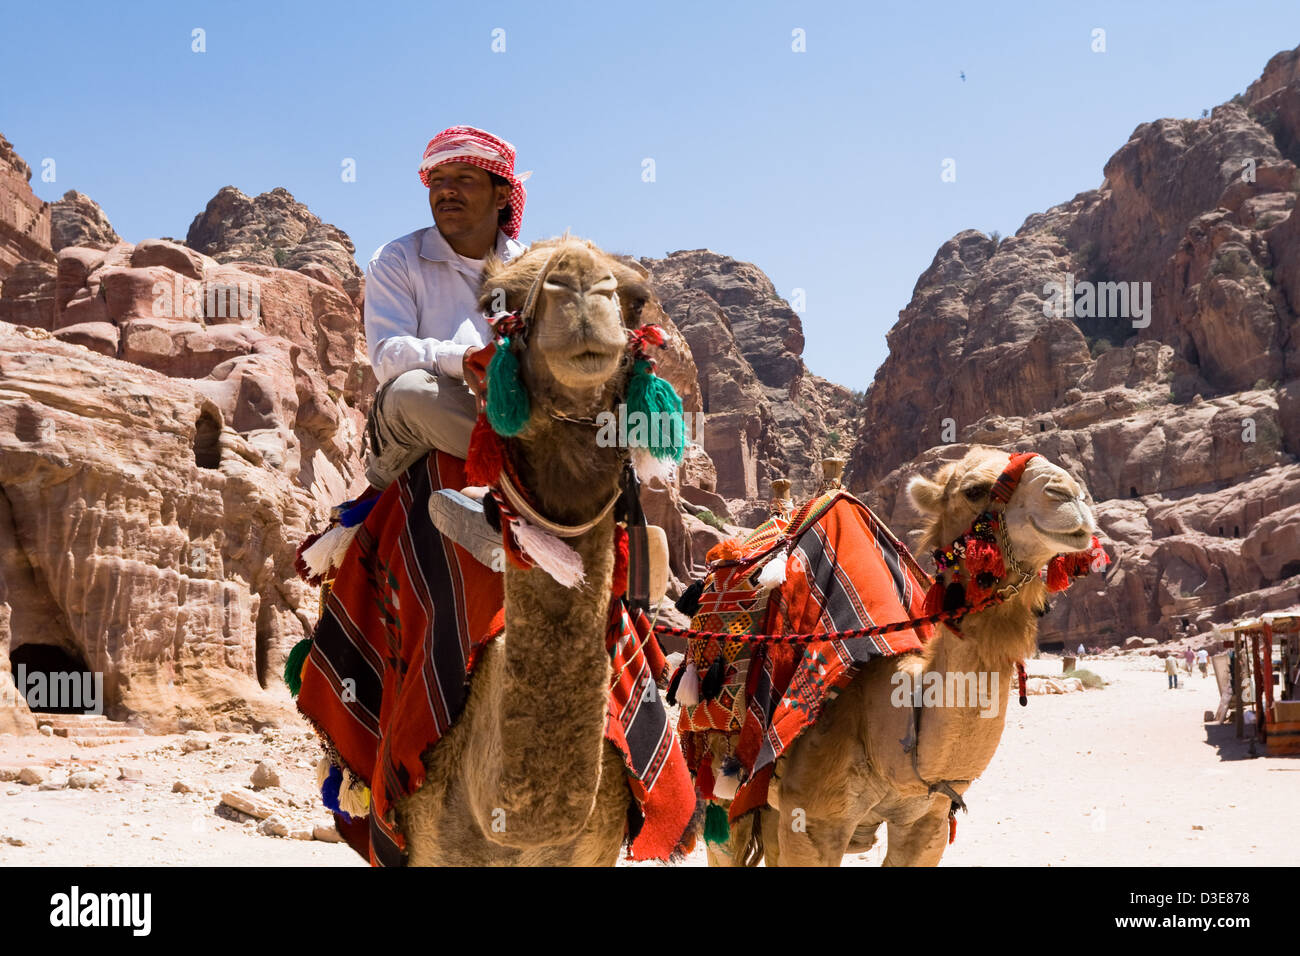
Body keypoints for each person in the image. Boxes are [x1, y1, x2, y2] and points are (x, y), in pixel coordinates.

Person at [361, 126, 531, 563]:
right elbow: (387, 356)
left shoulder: (531, 269)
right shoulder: (398, 259)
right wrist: (466, 361)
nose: (446, 191)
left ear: (501, 195)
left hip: (508, 414)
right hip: (420, 416)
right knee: (412, 390)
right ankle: (528, 498)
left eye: (464, 179)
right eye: (437, 181)